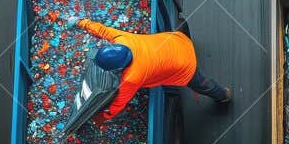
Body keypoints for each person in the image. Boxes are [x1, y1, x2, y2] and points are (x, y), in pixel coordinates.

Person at [75, 17, 232, 122]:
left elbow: (120, 102)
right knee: (180, 28)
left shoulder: (132, 77)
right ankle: (187, 34)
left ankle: (223, 94)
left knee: (201, 83)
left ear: (119, 68)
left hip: (185, 65)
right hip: (178, 40)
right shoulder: (122, 39)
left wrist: (105, 116)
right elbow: (102, 30)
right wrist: (83, 22)